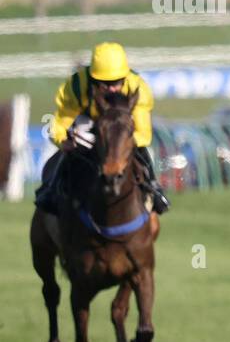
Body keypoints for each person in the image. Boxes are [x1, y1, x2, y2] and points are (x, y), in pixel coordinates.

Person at [35, 41, 169, 214]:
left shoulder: (138, 88)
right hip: (90, 121)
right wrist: (62, 142)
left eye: (117, 82)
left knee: (141, 150)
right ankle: (52, 189)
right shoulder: (77, 86)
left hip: (121, 126)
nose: (112, 89)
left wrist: (118, 144)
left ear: (125, 77)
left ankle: (153, 187)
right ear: (93, 79)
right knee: (78, 138)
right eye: (104, 83)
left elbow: (143, 135)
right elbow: (59, 124)